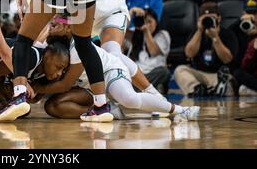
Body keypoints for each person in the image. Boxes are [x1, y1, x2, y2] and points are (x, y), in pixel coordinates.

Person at [30, 17, 199, 121]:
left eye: (55, 24)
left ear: (68, 27)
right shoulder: (51, 43)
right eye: (50, 23)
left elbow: (65, 85)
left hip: (108, 72)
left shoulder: (77, 46)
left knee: (129, 99)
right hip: (86, 86)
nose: (50, 27)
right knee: (53, 107)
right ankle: (111, 110)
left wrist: (37, 88)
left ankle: (181, 110)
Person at [175, 2, 238, 97]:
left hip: (219, 75)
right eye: (205, 18)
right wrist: (199, 31)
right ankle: (197, 88)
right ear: (199, 19)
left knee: (228, 86)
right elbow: (189, 54)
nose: (209, 21)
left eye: (212, 17)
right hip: (199, 74)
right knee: (179, 70)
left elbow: (227, 59)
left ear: (219, 18)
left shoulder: (228, 34)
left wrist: (215, 38)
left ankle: (213, 89)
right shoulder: (195, 33)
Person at [129, 9, 171, 94]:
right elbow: (120, 32)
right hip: (138, 75)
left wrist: (146, 31)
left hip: (154, 74)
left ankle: (137, 89)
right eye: (144, 22)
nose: (147, 25)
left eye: (149, 21)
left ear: (156, 22)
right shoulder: (135, 36)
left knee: (164, 72)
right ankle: (143, 89)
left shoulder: (162, 34)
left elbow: (153, 52)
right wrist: (130, 13)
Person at [233, 0, 257, 95]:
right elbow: (226, 33)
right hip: (249, 71)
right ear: (243, 13)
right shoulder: (239, 28)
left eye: (255, 13)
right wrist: (239, 21)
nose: (252, 16)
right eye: (249, 12)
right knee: (238, 73)